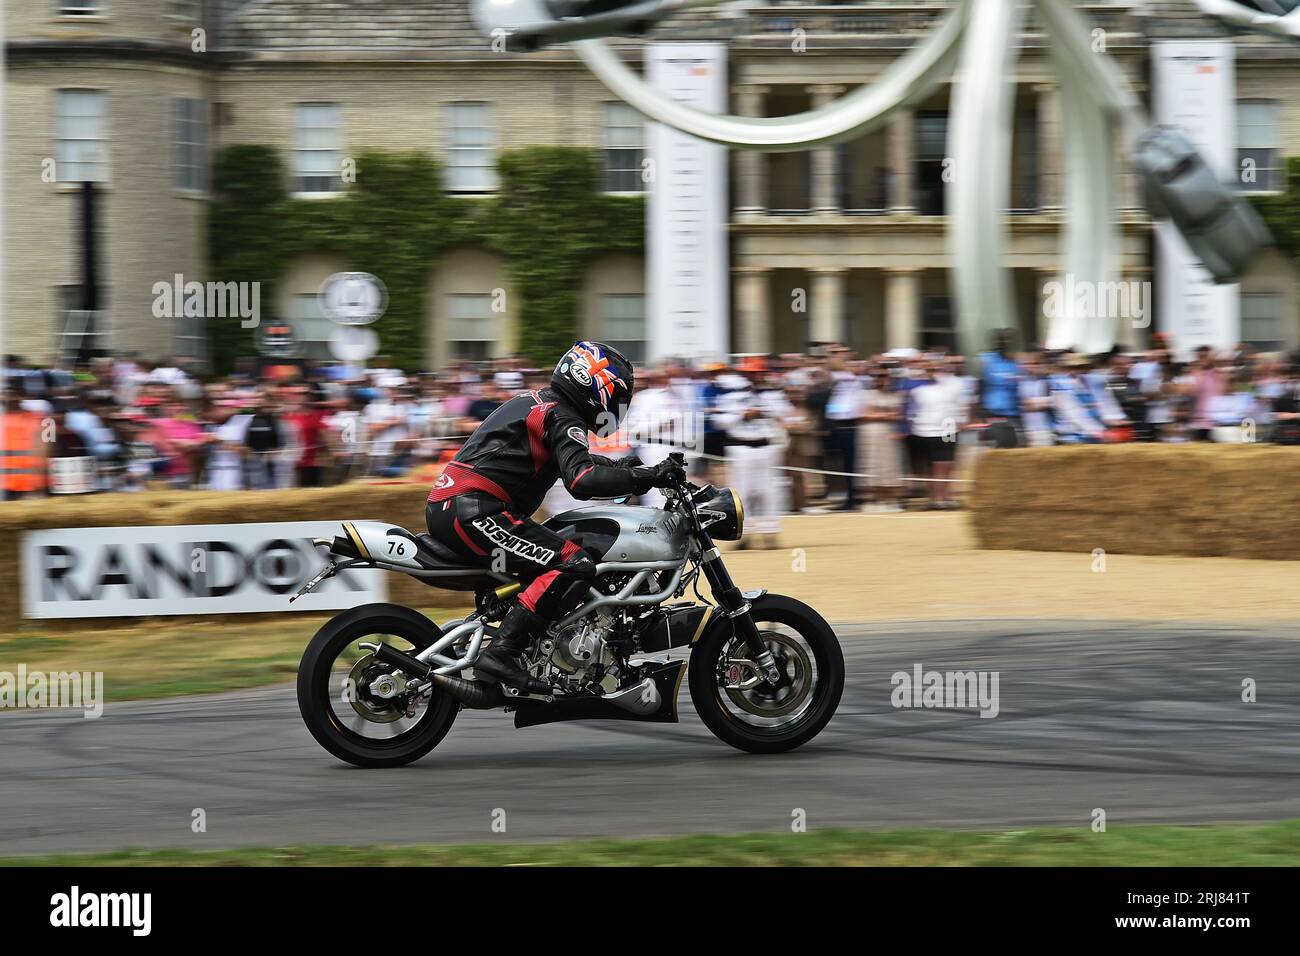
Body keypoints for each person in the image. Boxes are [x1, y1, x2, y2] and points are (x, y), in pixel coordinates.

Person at [424, 341, 682, 692]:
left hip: (460, 506)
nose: (620, 406)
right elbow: (581, 480)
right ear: (596, 386)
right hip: (474, 509)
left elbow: (577, 463)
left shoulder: (545, 403)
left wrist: (627, 468)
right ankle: (502, 653)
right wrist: (649, 477)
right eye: (619, 396)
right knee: (573, 562)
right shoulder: (562, 415)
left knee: (547, 554)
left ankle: (516, 643)